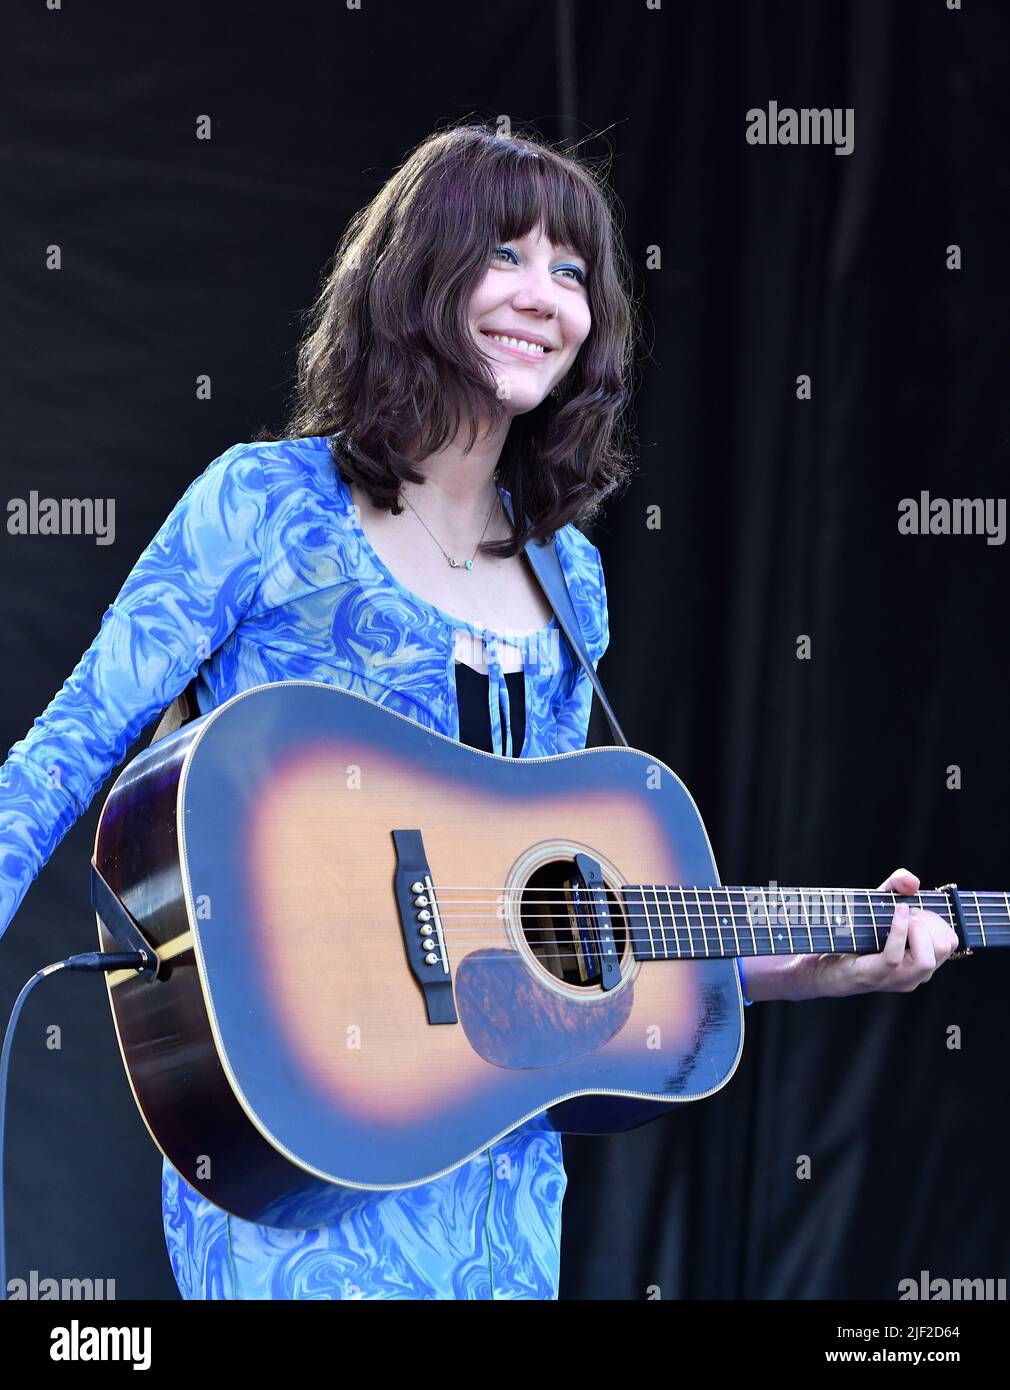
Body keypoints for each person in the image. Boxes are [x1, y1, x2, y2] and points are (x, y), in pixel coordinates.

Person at [0, 123, 957, 1300]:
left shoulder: (569, 577)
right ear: (417, 271)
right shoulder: (259, 506)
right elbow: (62, 755)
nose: (543, 297)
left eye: (573, 273)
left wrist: (822, 964)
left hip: (498, 1174)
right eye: (505, 253)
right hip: (300, 1127)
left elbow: (564, 931)